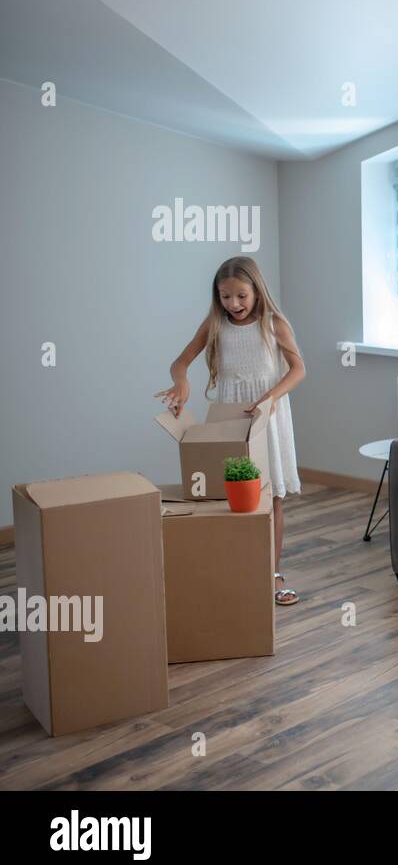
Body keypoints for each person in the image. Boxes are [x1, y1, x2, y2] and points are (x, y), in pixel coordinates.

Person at [158, 256, 306, 605]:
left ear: (256, 291)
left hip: (268, 416)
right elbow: (179, 362)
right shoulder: (215, 324)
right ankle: (233, 574)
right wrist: (181, 385)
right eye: (225, 296)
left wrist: (267, 399)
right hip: (230, 417)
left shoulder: (274, 324)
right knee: (230, 497)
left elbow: (299, 370)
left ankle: (271, 575)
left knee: (271, 498)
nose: (233, 304)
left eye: (241, 295)